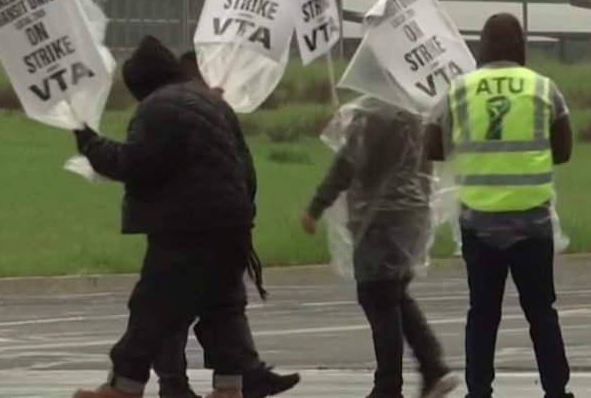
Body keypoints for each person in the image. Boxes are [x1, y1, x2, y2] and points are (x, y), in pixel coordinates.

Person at [71, 35, 263, 398]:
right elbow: (246, 168)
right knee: (222, 306)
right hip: (233, 223)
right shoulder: (214, 102)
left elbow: (136, 163)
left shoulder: (157, 108)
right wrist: (241, 214)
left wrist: (90, 144)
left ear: (141, 84)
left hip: (185, 227)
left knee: (152, 306)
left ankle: (124, 387)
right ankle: (229, 388)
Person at [424, 13, 574, 398]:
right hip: (532, 220)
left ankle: (479, 391)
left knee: (483, 315)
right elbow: (563, 151)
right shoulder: (544, 88)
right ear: (520, 45)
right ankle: (556, 390)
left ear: (482, 46)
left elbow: (432, 147)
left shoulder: (459, 90)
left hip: (479, 221)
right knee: (542, 313)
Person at [150, 51, 301, 398]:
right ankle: (176, 384)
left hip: (221, 228)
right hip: (187, 230)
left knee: (226, 306)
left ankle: (241, 375)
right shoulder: (173, 115)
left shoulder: (213, 113)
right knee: (176, 310)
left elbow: (240, 167)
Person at [301, 95, 457, 398]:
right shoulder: (418, 111)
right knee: (393, 294)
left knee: (378, 297)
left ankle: (391, 384)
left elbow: (346, 163)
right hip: (412, 216)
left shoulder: (373, 112)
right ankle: (432, 368)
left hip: (380, 218)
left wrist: (317, 206)